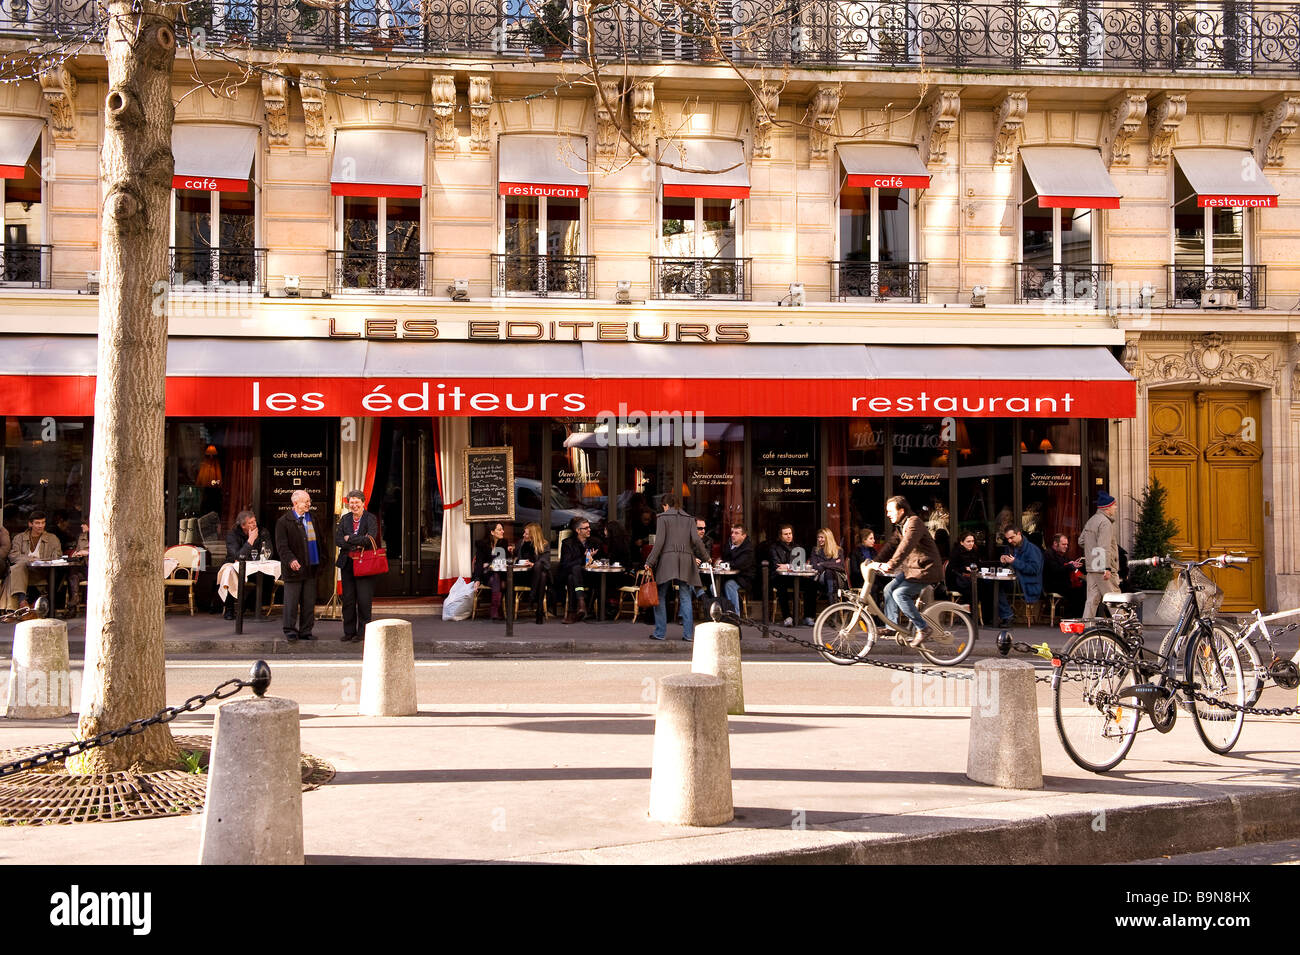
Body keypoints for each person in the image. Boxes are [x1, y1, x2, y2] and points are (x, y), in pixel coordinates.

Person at [868, 496, 942, 646]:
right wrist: (874, 562)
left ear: (901, 510)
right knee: (889, 589)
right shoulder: (902, 526)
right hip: (913, 569)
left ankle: (923, 628)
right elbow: (891, 545)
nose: (887, 514)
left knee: (899, 593)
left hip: (925, 569)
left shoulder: (914, 523)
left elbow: (906, 546)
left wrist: (891, 564)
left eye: (890, 511)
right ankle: (891, 627)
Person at [645, 495, 709, 642]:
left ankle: (660, 633)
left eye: (663, 506)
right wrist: (706, 557)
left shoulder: (662, 518)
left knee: (660, 595)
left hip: (668, 560)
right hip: (686, 560)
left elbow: (659, 542)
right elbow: (696, 541)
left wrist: (650, 561)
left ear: (666, 505)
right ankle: (688, 635)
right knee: (686, 597)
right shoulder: (689, 519)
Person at [274, 490, 323, 642]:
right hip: (293, 569)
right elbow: (282, 546)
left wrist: (323, 559)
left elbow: (320, 541)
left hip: (311, 567)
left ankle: (306, 631)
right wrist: (291, 560)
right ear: (295, 503)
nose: (309, 504)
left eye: (309, 501)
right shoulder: (283, 521)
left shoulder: (313, 519)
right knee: (292, 602)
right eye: (305, 501)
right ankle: (290, 630)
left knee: (309, 602)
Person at [335, 491, 380, 642]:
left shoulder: (370, 518)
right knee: (348, 599)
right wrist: (358, 540)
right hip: (347, 563)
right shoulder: (345, 519)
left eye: (357, 502)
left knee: (364, 600)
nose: (354, 505)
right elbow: (338, 540)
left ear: (363, 503)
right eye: (351, 503)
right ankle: (349, 632)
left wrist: (351, 538)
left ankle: (363, 633)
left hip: (364, 563)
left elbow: (370, 538)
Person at [6, 511, 63, 613]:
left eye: (43, 523)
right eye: (37, 523)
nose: (40, 526)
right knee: (18, 567)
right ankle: (22, 602)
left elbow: (57, 557)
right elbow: (13, 556)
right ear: (30, 524)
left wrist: (40, 561)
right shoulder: (19, 538)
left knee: (13, 573)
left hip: (43, 572)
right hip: (25, 572)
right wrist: (29, 559)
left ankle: (15, 608)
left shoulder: (52, 539)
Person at [223, 510, 272, 620]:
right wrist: (250, 540)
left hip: (255, 567)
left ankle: (247, 605)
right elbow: (237, 556)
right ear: (243, 525)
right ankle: (229, 609)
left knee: (268, 577)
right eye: (250, 522)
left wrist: (250, 559)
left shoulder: (263, 532)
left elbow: (268, 552)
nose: (254, 524)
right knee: (230, 574)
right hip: (235, 566)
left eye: (254, 521)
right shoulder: (232, 535)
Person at [1080, 491, 1120, 617]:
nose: (1116, 508)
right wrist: (1106, 568)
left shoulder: (1091, 521)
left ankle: (1085, 630)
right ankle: (1123, 630)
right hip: (1103, 569)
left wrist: (1092, 554)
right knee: (1116, 600)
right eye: (1114, 506)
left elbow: (1081, 541)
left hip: (1092, 568)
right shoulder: (1105, 523)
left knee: (1091, 601)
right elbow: (1104, 547)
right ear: (1107, 508)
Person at [769, 524, 814, 626]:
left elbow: (800, 565)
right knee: (781, 586)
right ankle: (787, 617)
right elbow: (777, 565)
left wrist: (787, 566)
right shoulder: (774, 548)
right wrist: (791, 566)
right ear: (780, 536)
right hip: (780, 577)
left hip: (795, 577)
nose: (789, 536)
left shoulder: (798, 547)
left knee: (811, 584)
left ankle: (808, 616)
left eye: (790, 533)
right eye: (785, 534)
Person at [998, 524, 1043, 626]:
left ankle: (1007, 616)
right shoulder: (1010, 547)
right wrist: (1003, 562)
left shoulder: (1032, 549)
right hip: (1014, 580)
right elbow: (1007, 567)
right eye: (1007, 539)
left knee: (997, 587)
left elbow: (1034, 569)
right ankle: (997, 616)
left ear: (1019, 534)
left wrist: (1014, 562)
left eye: (1011, 538)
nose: (1009, 541)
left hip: (1027, 583)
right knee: (990, 584)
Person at [473, 522, 512, 621]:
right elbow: (479, 563)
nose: (503, 531)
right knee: (496, 578)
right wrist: (477, 580)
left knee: (498, 578)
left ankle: (495, 609)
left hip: (500, 574)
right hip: (487, 575)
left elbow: (506, 562)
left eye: (502, 529)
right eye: (499, 529)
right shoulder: (482, 545)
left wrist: (510, 552)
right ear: (492, 532)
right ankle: (496, 609)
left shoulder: (503, 543)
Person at [558, 516, 594, 624]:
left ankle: (572, 612)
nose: (589, 530)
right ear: (578, 530)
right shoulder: (567, 543)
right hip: (570, 575)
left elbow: (602, 560)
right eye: (586, 528)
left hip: (589, 576)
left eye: (589, 527)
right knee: (573, 573)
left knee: (572, 577)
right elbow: (566, 565)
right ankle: (581, 603)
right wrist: (584, 558)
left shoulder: (593, 542)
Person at [1043, 532, 1084, 617]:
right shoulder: (1048, 554)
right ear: (1055, 543)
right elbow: (1055, 570)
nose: (1066, 546)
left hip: (1063, 583)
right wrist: (1070, 565)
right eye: (1063, 544)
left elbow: (1066, 564)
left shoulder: (1062, 555)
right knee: (1077, 591)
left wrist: (1073, 564)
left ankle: (1077, 616)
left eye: (1067, 544)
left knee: (1083, 588)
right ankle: (1072, 617)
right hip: (1053, 584)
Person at [519, 522, 551, 625]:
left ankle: (532, 598)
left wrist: (533, 564)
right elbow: (518, 560)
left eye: (526, 534)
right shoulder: (522, 543)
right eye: (524, 533)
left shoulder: (544, 545)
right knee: (542, 575)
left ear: (534, 535)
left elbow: (546, 563)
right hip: (525, 576)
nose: (524, 535)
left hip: (538, 576)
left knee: (541, 571)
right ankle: (539, 610)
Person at [721, 523, 755, 617]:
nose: (732, 535)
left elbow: (738, 564)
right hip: (729, 576)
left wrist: (723, 563)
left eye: (736, 533)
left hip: (744, 578)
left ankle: (735, 616)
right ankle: (721, 613)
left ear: (743, 536)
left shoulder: (748, 548)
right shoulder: (729, 543)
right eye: (732, 532)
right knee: (714, 586)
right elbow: (725, 558)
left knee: (729, 585)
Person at [809, 527, 844, 609]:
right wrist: (832, 564)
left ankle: (832, 603)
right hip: (821, 579)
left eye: (822, 537)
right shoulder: (815, 550)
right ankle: (833, 608)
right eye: (818, 537)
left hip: (837, 579)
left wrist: (822, 564)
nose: (819, 539)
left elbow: (841, 567)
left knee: (829, 572)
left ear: (828, 538)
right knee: (829, 572)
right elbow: (814, 566)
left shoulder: (838, 550)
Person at [946, 531, 980, 607]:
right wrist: (965, 568)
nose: (971, 543)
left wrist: (976, 568)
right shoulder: (956, 552)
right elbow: (952, 568)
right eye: (968, 541)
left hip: (969, 580)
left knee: (984, 588)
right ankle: (970, 616)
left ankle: (983, 616)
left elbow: (978, 565)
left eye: (972, 541)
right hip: (956, 581)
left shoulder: (974, 552)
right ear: (961, 542)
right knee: (973, 591)